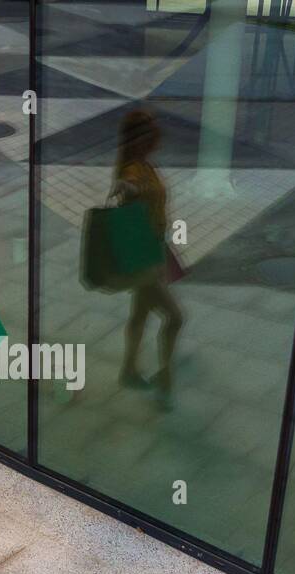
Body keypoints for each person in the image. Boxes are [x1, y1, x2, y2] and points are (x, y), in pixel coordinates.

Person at [112, 108, 183, 410]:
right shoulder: (132, 172)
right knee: (174, 317)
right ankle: (165, 379)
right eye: (151, 135)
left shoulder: (142, 165)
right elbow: (127, 197)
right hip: (143, 261)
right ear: (140, 139)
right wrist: (127, 190)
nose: (157, 139)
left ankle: (129, 370)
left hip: (152, 254)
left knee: (140, 314)